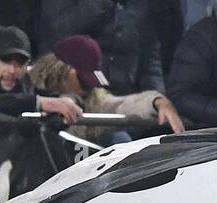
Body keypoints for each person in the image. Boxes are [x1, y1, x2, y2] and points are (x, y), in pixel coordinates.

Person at [31, 33, 185, 140]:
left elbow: (122, 105)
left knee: (118, 139)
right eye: (83, 81)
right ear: (62, 69)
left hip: (72, 169)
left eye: (90, 83)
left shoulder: (94, 98)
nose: (87, 88)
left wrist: (157, 102)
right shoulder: (29, 90)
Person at [38, 0, 166, 94]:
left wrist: (155, 97)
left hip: (126, 94)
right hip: (77, 92)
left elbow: (150, 54)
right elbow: (61, 31)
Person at [0, 24, 84, 122]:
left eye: (20, 63)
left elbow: (42, 96)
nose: (12, 70)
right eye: (5, 61)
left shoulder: (23, 81)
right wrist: (39, 103)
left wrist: (69, 99)